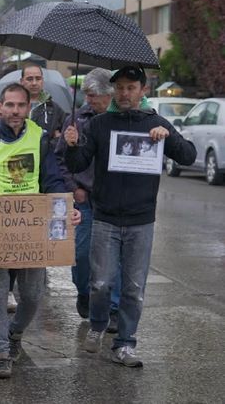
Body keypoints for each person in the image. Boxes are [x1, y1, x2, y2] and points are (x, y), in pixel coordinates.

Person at [64, 65, 196, 367]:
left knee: (134, 290)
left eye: (131, 88)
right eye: (120, 87)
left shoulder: (156, 123)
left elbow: (188, 155)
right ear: (114, 90)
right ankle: (98, 324)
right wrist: (72, 145)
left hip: (141, 221)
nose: (124, 93)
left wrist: (168, 137)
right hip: (105, 218)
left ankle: (125, 343)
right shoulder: (99, 124)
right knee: (100, 283)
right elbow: (77, 163)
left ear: (142, 91)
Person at [0, 83, 80, 379]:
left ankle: (14, 333)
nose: (15, 111)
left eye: (21, 105)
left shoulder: (39, 137)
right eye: (10, 105)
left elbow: (51, 180)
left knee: (33, 295)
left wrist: (66, 208)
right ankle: (1, 352)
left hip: (32, 229)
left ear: (29, 108)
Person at [54, 68, 122, 322]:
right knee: (81, 254)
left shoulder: (121, 118)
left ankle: (113, 308)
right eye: (86, 95)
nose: (88, 100)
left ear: (109, 94)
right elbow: (60, 158)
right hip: (84, 199)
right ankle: (84, 292)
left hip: (113, 198)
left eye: (93, 95)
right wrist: (74, 188)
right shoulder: (76, 119)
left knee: (114, 257)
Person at [19, 63, 67, 147]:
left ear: (42, 81)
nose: (34, 83)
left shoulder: (54, 109)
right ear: (21, 81)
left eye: (38, 78)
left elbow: (65, 136)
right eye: (29, 79)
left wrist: (51, 144)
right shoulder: (13, 106)